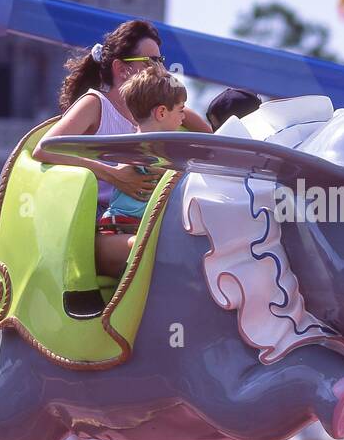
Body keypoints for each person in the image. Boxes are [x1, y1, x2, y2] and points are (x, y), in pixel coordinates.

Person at [33, 21, 211, 286]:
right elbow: (44, 149)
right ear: (121, 68)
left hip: (150, 222)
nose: (160, 69)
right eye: (150, 61)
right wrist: (114, 175)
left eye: (161, 61)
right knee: (156, 250)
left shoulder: (165, 109)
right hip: (100, 227)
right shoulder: (96, 105)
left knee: (207, 250)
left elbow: (213, 142)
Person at [96, 67, 191, 274]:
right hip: (115, 236)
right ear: (162, 112)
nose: (185, 117)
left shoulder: (161, 149)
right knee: (154, 250)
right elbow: (150, 166)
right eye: (181, 110)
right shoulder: (138, 147)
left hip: (138, 233)